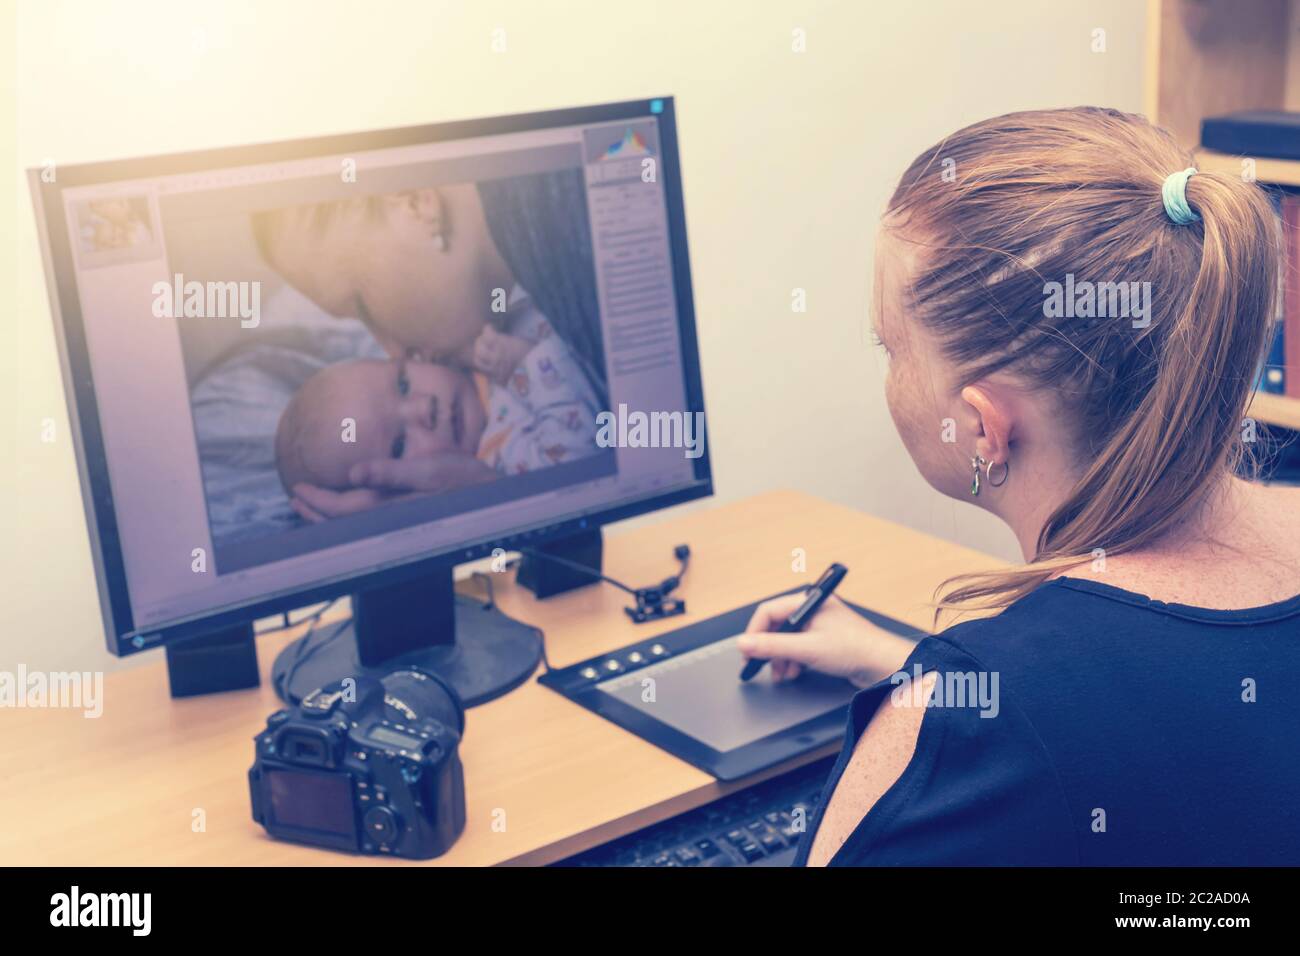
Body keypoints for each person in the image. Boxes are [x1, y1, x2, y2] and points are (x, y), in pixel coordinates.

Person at [737, 107, 1300, 865]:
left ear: (983, 429)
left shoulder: (974, 738)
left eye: (889, 345)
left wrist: (937, 706)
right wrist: (903, 664)